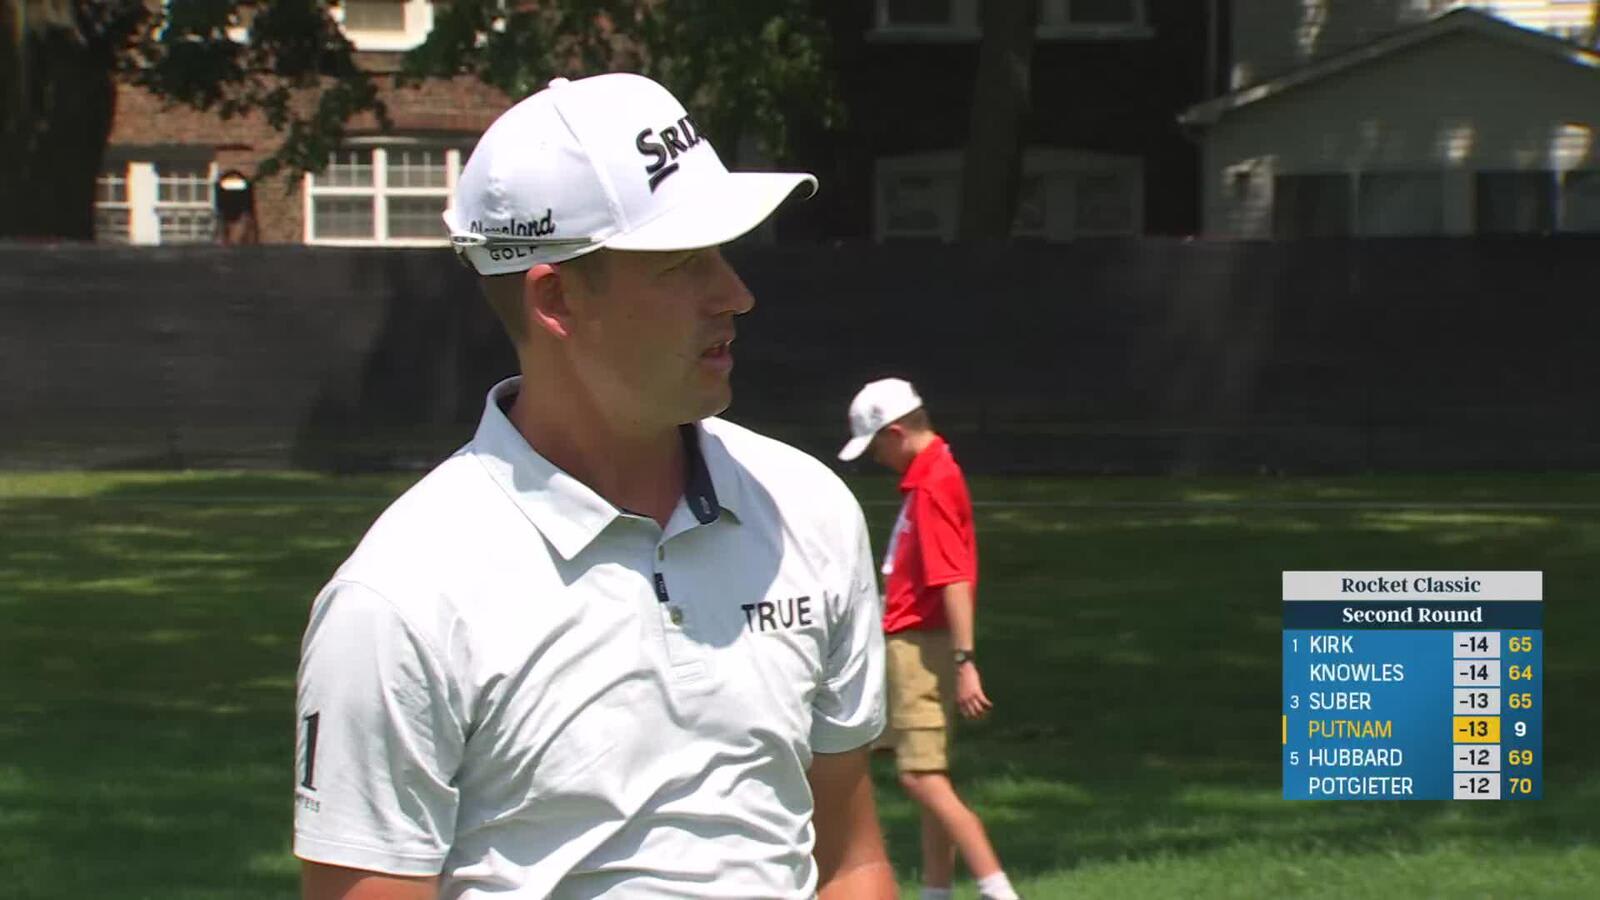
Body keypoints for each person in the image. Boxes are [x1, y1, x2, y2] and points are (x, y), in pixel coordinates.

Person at [293, 73, 894, 900]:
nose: (736, 294)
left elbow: (851, 862)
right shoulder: (399, 598)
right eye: (684, 261)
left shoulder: (810, 511)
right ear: (558, 297)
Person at [838, 378, 1020, 900]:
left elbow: (952, 576)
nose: (877, 458)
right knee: (921, 770)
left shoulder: (934, 482)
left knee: (921, 777)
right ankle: (936, 890)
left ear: (895, 433)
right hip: (910, 643)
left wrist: (965, 660)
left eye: (876, 446)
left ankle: (996, 889)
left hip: (921, 645)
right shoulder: (931, 477)